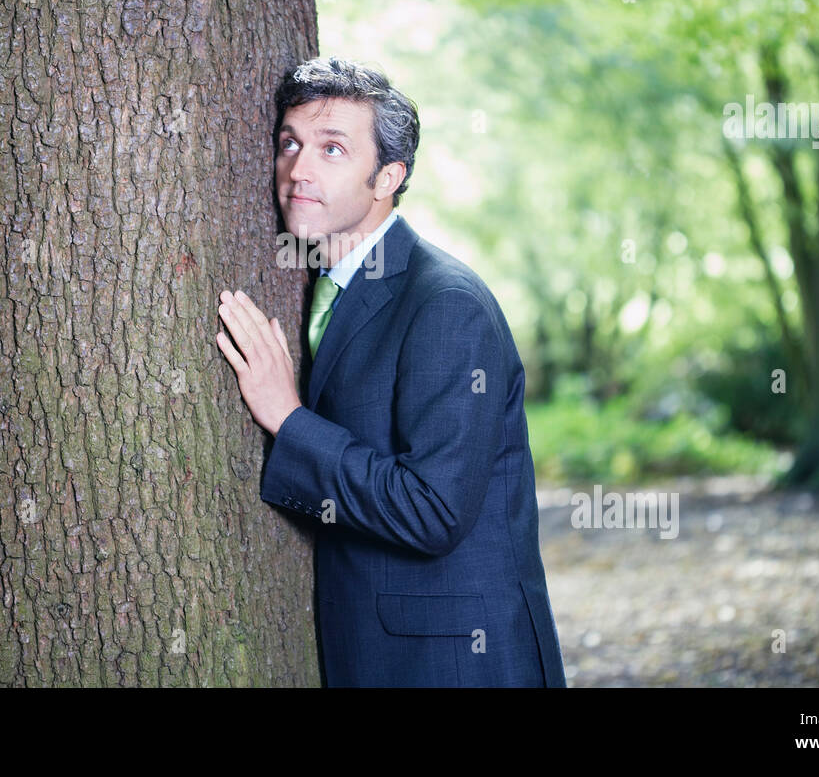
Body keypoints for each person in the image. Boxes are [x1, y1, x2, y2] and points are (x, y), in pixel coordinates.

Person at [216, 56, 567, 687]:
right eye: (291, 143)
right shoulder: (328, 288)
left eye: (333, 149)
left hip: (453, 664)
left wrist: (287, 418)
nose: (299, 169)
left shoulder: (446, 306)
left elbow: (434, 510)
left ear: (387, 177)